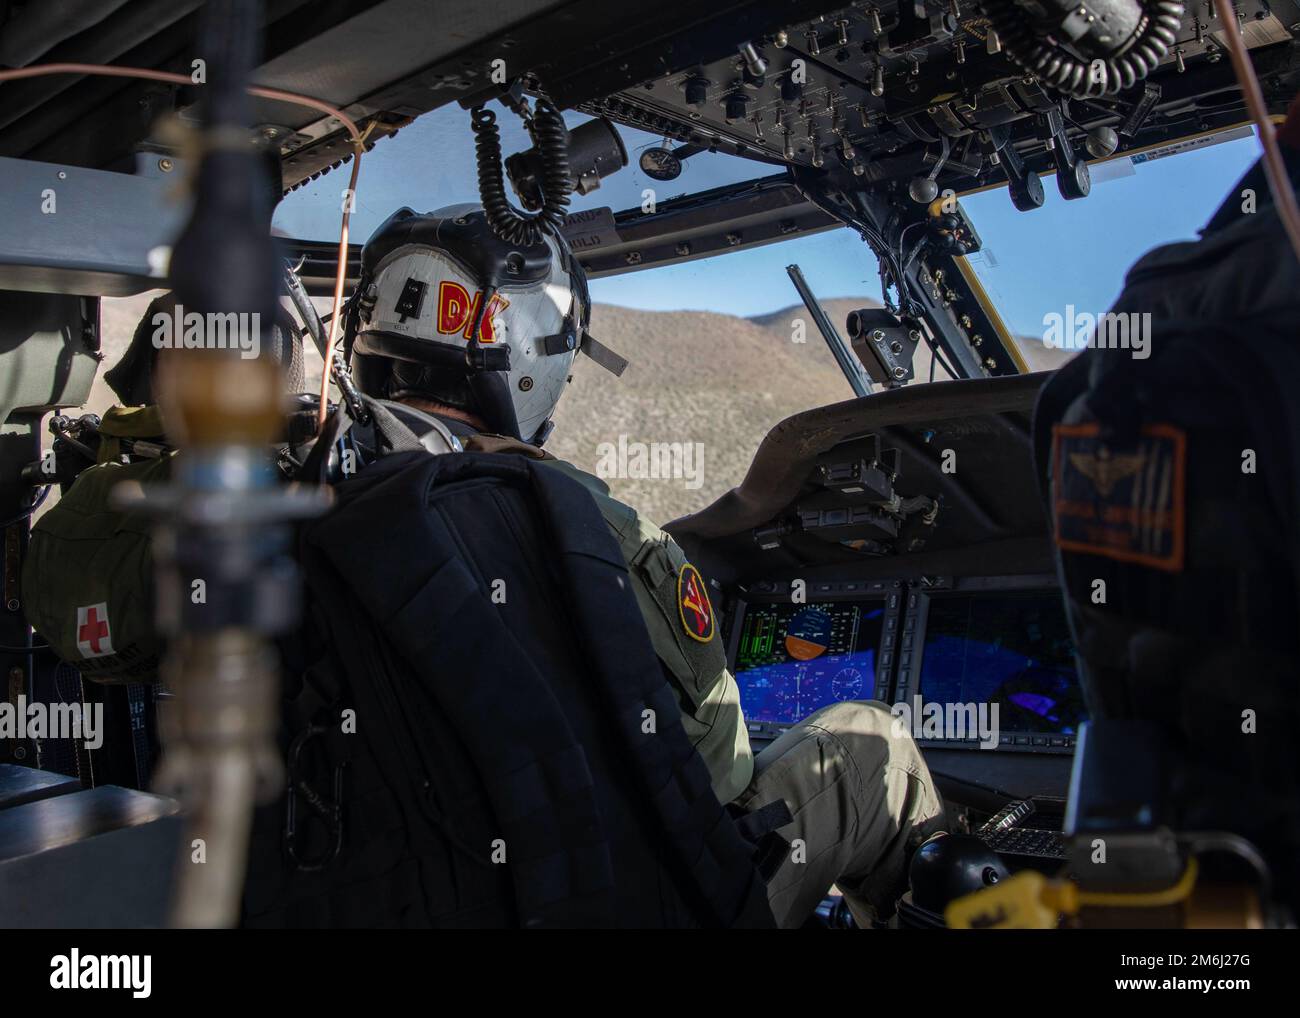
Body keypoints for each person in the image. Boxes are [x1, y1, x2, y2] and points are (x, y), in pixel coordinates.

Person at [344, 203, 947, 927]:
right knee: (874, 749)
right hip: (619, 904)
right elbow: (715, 773)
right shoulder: (576, 525)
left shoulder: (314, 502)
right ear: (538, 352)